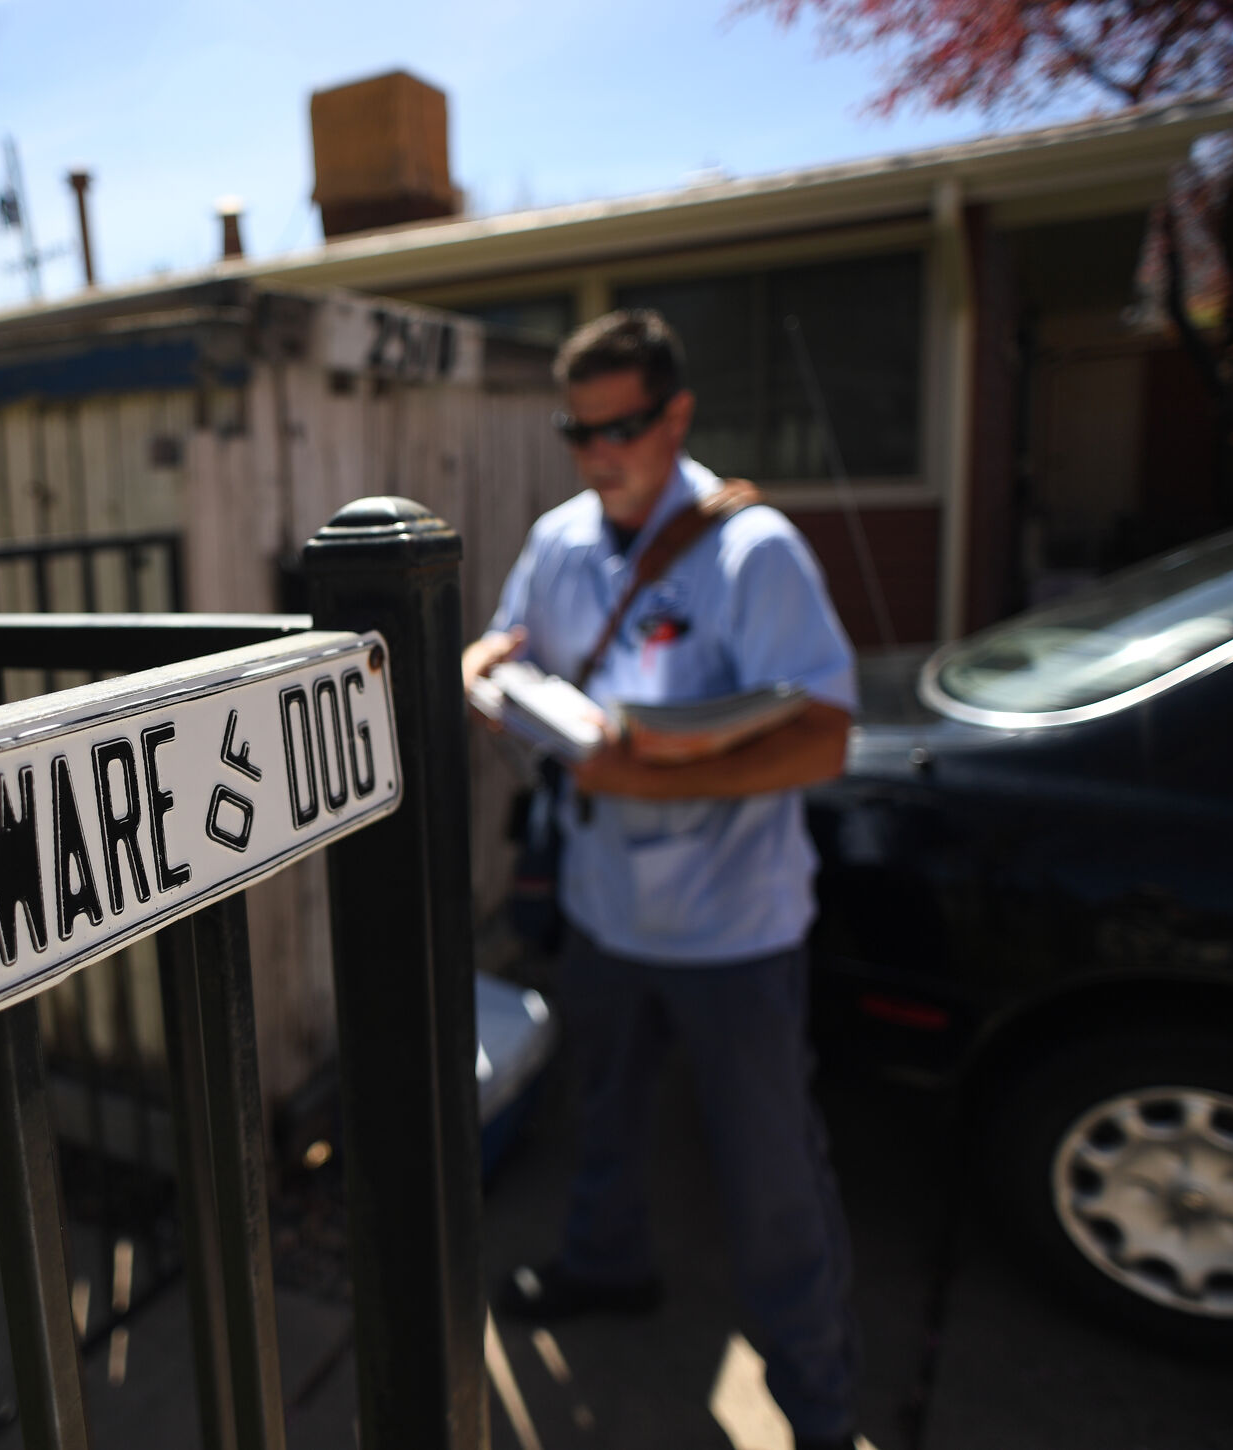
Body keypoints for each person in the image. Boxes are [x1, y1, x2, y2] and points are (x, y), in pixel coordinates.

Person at [464, 309, 862, 1450]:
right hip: (604, 911)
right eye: (576, 430)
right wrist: (485, 669)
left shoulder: (751, 551)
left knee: (770, 1174)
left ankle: (818, 1405)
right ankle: (606, 1266)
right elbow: (508, 642)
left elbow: (824, 738)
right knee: (606, 1116)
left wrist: (654, 778)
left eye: (623, 427)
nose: (599, 453)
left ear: (675, 415)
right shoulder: (559, 539)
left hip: (734, 933)